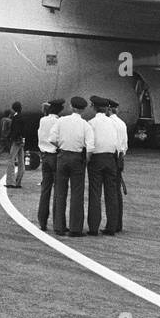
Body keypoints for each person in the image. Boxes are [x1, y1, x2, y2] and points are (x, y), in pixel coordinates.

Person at [49, 96, 93, 236]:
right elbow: (90, 147)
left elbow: (51, 139)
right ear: (83, 109)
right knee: (77, 194)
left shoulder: (61, 121)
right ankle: (75, 228)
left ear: (71, 107)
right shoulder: (85, 125)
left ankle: (59, 227)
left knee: (60, 192)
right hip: (77, 158)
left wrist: (61, 147)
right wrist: (85, 159)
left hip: (62, 156)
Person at [85, 96, 123, 236]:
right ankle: (111, 227)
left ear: (94, 107)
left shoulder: (91, 123)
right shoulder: (113, 123)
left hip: (96, 158)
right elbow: (118, 144)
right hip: (111, 158)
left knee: (95, 193)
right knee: (111, 193)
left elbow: (89, 143)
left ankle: (93, 227)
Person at [36, 100, 63, 231]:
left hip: (44, 156)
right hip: (55, 156)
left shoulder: (43, 120)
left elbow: (40, 135)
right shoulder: (59, 122)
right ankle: (58, 224)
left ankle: (42, 221)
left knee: (45, 190)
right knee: (58, 191)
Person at [106, 99, 128, 233]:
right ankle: (118, 223)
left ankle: (111, 225)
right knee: (117, 192)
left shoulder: (109, 123)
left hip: (110, 157)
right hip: (120, 158)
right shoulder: (122, 123)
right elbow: (125, 145)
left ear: (108, 110)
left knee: (110, 193)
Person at [6, 101, 26, 189]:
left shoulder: (16, 117)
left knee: (11, 160)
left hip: (16, 140)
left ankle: (11, 182)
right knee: (21, 161)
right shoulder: (22, 117)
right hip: (21, 140)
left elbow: (15, 130)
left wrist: (12, 138)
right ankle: (18, 182)